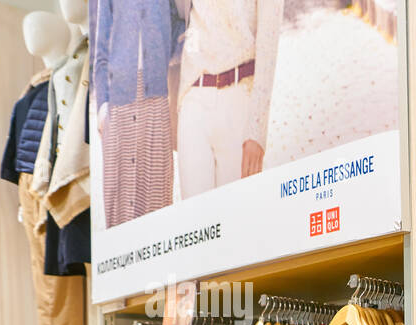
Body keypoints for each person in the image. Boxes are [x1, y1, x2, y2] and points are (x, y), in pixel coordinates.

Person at [173, 0, 283, 198]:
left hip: (239, 99)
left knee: (235, 217)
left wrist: (256, 131)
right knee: (194, 219)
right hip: (194, 96)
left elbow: (268, 46)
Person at [93, 0, 182, 226]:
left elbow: (178, 24)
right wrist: (103, 105)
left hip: (156, 95)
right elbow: (100, 48)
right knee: (119, 197)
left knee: (156, 196)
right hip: (118, 98)